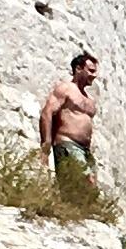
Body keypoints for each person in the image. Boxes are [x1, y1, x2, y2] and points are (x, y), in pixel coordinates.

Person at [38, 52, 102, 188]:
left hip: (85, 150)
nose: (94, 75)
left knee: (90, 188)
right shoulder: (66, 89)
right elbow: (47, 112)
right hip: (67, 144)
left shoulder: (89, 99)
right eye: (90, 71)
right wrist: (46, 144)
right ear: (78, 69)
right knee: (77, 183)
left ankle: (74, 208)